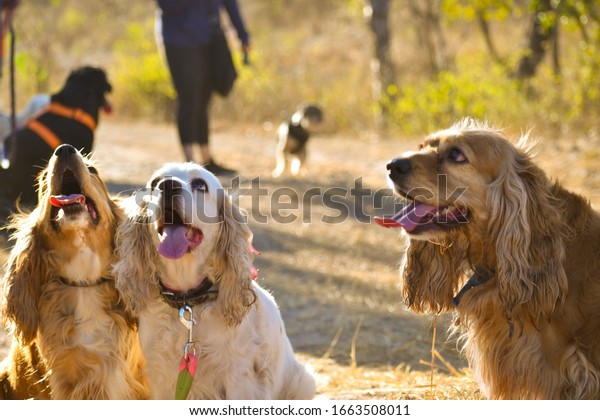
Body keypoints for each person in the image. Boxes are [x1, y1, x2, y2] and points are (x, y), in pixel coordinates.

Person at [155, 0, 250, 175]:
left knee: (204, 98)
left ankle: (207, 160)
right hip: (179, 41)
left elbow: (230, 3)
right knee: (189, 97)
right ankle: (190, 162)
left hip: (210, 39)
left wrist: (242, 34)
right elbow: (166, 5)